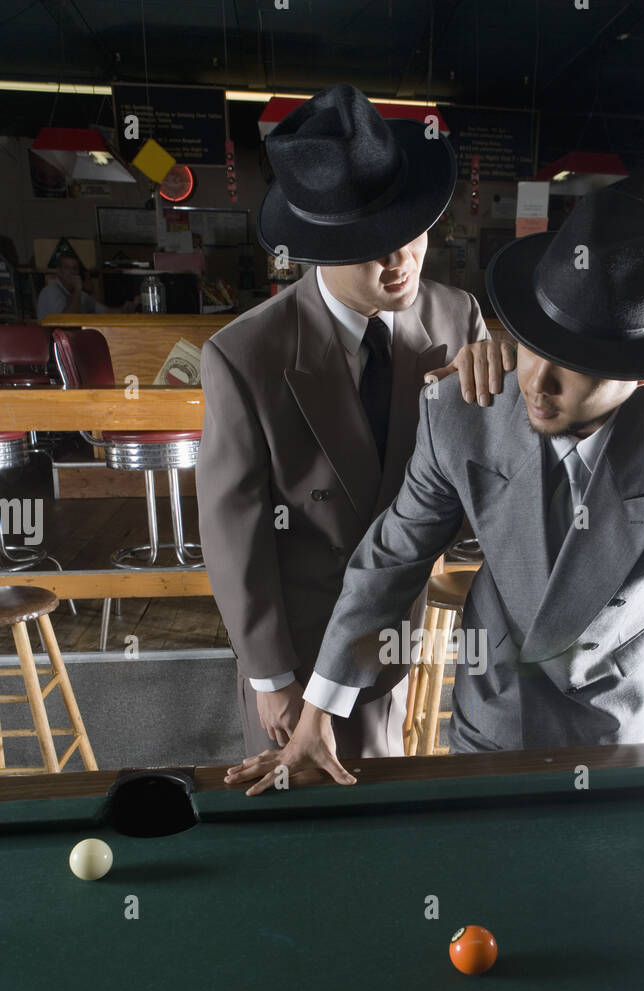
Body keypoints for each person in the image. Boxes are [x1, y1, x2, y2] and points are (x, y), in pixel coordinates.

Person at [227, 187, 644, 931]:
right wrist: (317, 714)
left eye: (575, 367)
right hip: (498, 686)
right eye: (533, 347)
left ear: (643, 376)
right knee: (485, 890)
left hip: (617, 693)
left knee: (599, 899)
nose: (537, 383)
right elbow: (392, 558)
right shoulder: (461, 408)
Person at [197, 84, 511, 760]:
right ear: (313, 247)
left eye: (408, 232)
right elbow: (234, 532)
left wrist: (508, 392)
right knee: (295, 807)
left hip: (399, 617)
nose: (397, 261)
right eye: (368, 244)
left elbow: (483, 471)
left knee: (385, 788)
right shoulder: (246, 354)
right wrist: (270, 674)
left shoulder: (457, 318)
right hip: (299, 636)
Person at [36, 251, 136, 317]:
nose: (71, 272)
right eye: (67, 267)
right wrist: (78, 290)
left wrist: (127, 308)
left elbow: (106, 312)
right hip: (54, 346)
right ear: (59, 272)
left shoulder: (81, 295)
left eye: (75, 268)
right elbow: (67, 322)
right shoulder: (50, 292)